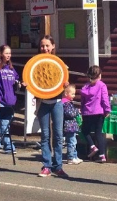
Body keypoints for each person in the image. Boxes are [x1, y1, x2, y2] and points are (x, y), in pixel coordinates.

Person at [36, 35, 69, 178]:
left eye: (47, 45)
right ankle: (47, 166)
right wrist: (27, 84)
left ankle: (58, 167)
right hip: (43, 103)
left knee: (58, 135)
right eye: (42, 46)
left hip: (57, 103)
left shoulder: (59, 64)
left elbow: (64, 81)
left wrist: (66, 84)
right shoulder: (36, 63)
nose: (45, 48)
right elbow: (32, 80)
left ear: (53, 46)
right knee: (45, 135)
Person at [0, 44, 20, 154]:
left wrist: (19, 83)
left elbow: (16, 79)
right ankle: (8, 146)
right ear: (1, 54)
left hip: (9, 100)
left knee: (3, 123)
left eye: (10, 53)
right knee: (5, 123)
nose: (8, 55)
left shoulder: (11, 68)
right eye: (6, 53)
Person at [80, 65, 110, 163]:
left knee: (85, 131)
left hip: (87, 113)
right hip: (99, 112)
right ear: (99, 75)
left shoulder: (85, 87)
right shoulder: (102, 85)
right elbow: (105, 99)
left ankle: (92, 146)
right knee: (98, 133)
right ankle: (102, 155)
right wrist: (107, 110)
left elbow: (83, 101)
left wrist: (82, 110)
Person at [62, 83, 82, 164]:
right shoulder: (65, 103)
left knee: (74, 141)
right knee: (71, 142)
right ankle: (70, 158)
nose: (74, 95)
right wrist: (77, 111)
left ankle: (74, 156)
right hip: (69, 126)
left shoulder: (68, 102)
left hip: (71, 126)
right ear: (66, 94)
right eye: (72, 94)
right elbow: (69, 114)